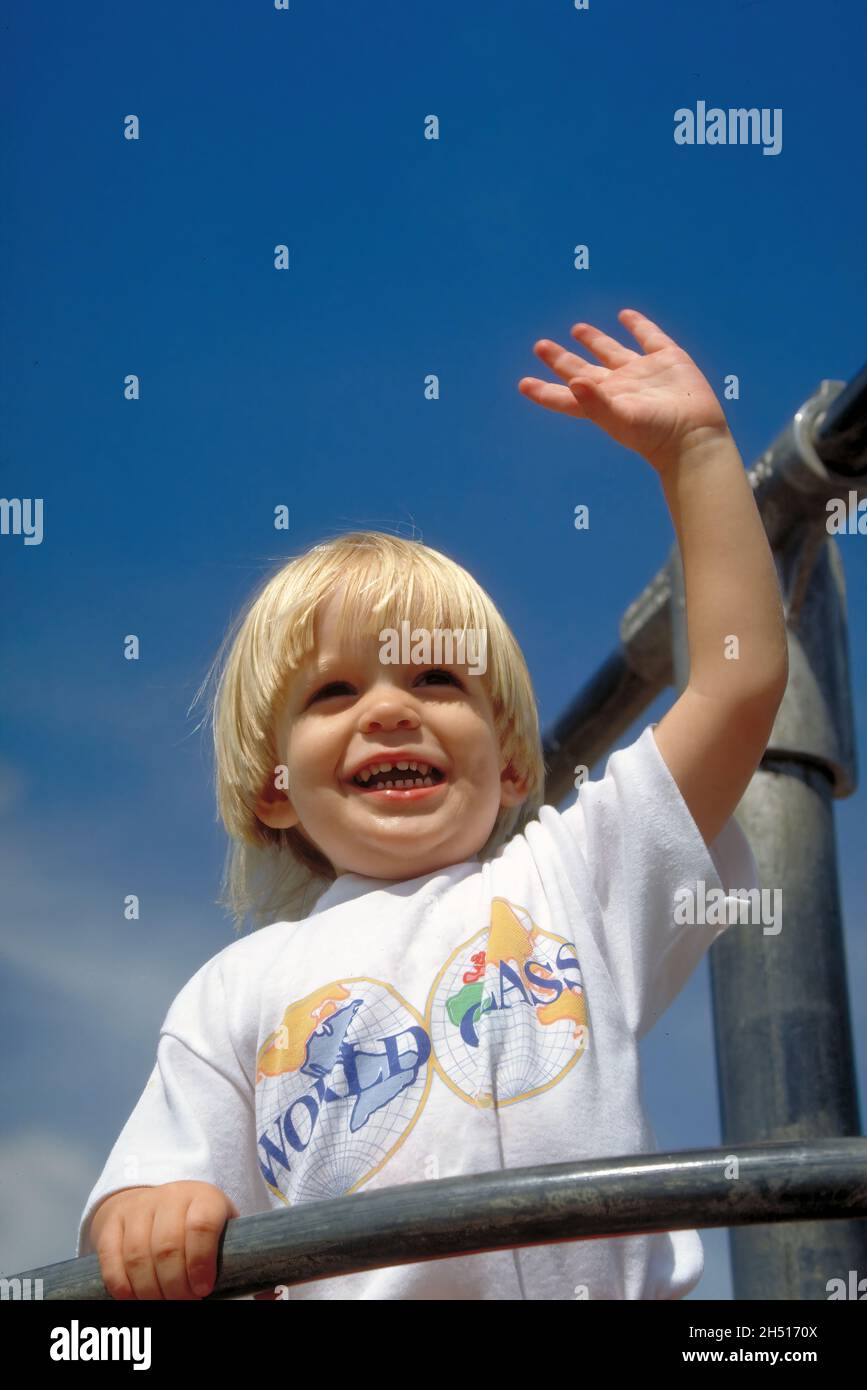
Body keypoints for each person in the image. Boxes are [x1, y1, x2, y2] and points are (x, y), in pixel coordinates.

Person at [75, 309, 788, 1300]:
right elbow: (147, 1191)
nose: (391, 713)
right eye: (333, 693)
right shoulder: (234, 991)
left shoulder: (571, 881)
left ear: (507, 767)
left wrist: (699, 455)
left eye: (437, 682)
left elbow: (736, 685)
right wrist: (146, 1209)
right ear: (271, 791)